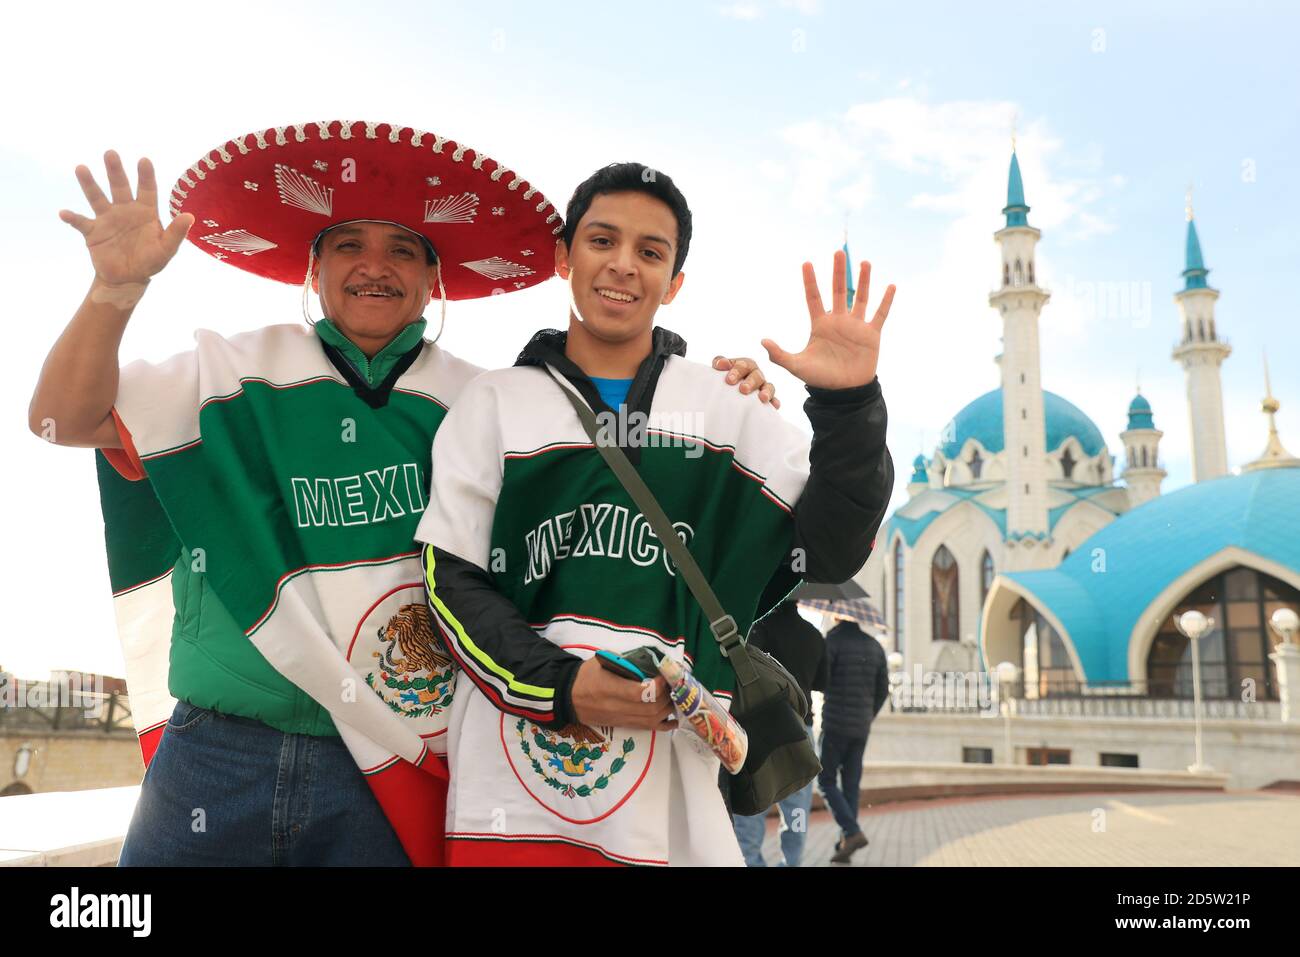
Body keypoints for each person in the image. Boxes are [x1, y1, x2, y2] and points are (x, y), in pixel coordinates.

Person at [28, 125, 775, 866]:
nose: (374, 268)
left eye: (404, 250)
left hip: (391, 768)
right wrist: (113, 292)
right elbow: (62, 418)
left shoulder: (484, 404)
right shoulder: (225, 372)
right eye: (350, 244)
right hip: (216, 755)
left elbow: (611, 506)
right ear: (314, 267)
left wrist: (724, 401)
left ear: (433, 278)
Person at [417, 162, 896, 866]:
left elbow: (828, 549)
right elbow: (448, 582)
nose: (622, 265)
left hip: (675, 798)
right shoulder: (494, 403)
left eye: (650, 252)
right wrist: (563, 685)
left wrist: (850, 408)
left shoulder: (724, 407)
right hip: (510, 799)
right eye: (601, 240)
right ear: (563, 256)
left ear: (674, 282)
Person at [730, 599, 826, 866]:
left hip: (758, 728)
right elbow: (823, 681)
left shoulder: (757, 629)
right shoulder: (813, 635)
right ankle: (791, 862)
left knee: (752, 804)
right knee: (796, 811)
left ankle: (751, 862)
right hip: (801, 729)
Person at [818, 614, 890, 863]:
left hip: (835, 725)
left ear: (838, 614)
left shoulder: (833, 641)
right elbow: (883, 690)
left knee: (825, 780)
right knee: (850, 785)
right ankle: (845, 844)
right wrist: (867, 715)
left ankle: (851, 831)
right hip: (861, 728)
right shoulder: (875, 646)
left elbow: (821, 680)